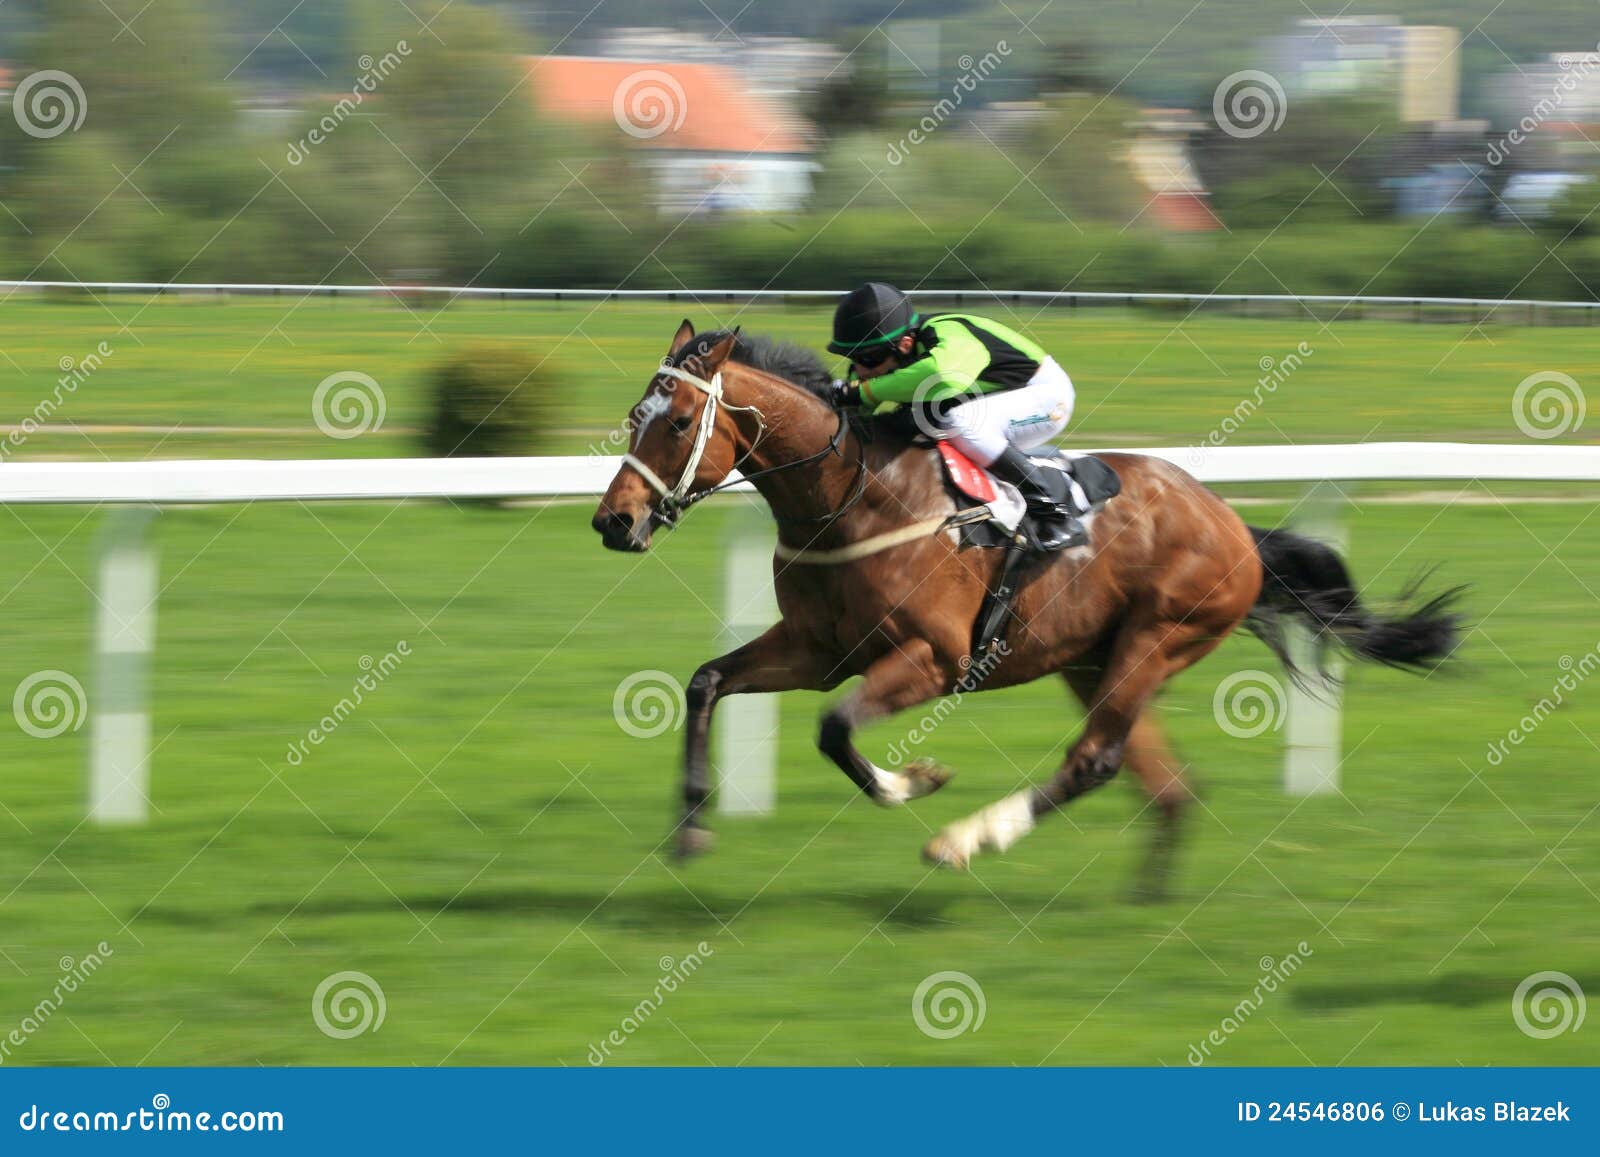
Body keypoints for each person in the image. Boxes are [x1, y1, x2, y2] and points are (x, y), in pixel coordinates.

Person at [827, 282, 1084, 551]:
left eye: (868, 359)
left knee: (959, 423)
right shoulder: (884, 355)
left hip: (1047, 399)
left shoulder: (948, 333)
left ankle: (1055, 514)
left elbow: (944, 377)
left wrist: (861, 392)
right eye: (852, 357)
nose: (860, 370)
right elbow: (855, 414)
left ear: (905, 344)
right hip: (991, 397)